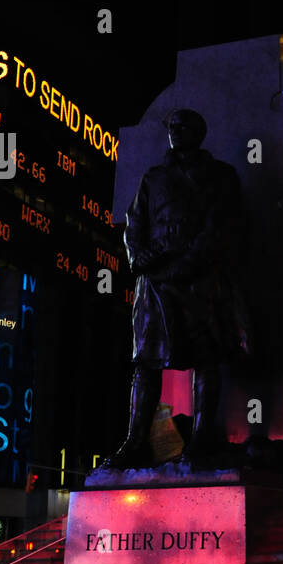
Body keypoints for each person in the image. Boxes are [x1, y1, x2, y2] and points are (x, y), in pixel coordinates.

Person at [104, 108, 252, 469]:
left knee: (208, 359)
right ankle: (136, 441)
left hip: (201, 279)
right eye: (171, 126)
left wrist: (189, 262)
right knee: (146, 362)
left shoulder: (221, 176)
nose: (175, 131)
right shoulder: (153, 177)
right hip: (155, 281)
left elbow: (223, 225)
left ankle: (202, 438)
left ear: (199, 132)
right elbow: (134, 222)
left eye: (182, 126)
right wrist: (140, 258)